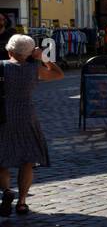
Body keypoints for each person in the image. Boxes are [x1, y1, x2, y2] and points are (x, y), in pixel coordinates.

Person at [0, 34, 63, 217]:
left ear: (9, 50)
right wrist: (43, 57)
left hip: (3, 116)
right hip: (27, 116)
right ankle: (21, 203)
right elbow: (59, 74)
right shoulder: (34, 69)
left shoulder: (1, 67)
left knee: (1, 159)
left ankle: (6, 191)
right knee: (27, 160)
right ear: (29, 53)